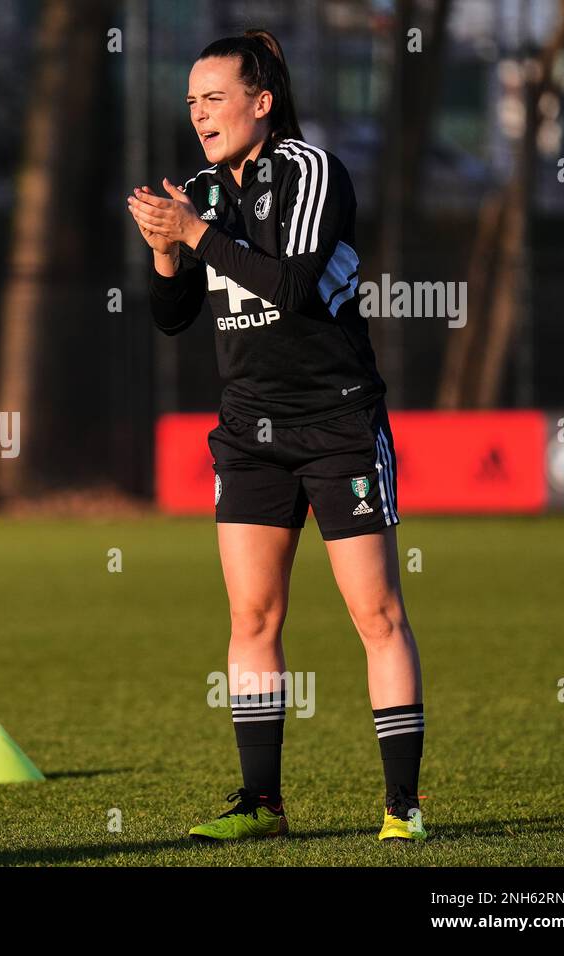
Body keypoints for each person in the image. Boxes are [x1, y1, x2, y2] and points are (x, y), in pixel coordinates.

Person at [125, 29, 426, 842]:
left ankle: (403, 809)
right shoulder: (201, 191)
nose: (199, 114)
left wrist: (192, 236)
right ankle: (261, 805)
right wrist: (163, 254)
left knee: (376, 614)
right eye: (190, 102)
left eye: (214, 98)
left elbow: (292, 286)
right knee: (252, 618)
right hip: (249, 430)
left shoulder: (312, 172)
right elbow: (174, 317)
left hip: (337, 421)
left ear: (262, 102)